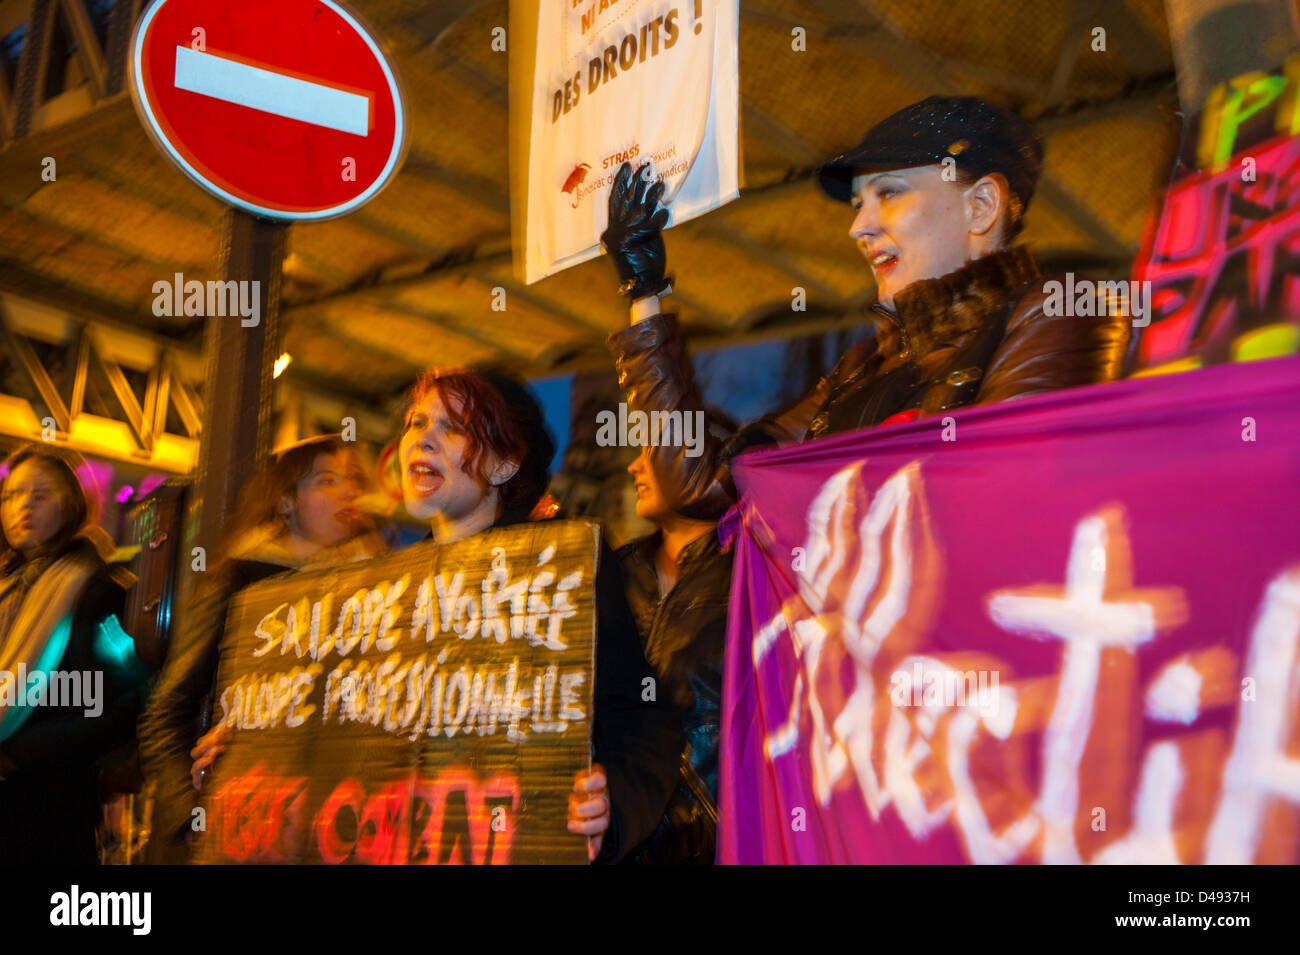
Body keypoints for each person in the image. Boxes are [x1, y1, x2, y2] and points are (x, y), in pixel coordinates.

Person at [600, 95, 1133, 519]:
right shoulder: (860, 367)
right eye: (859, 205)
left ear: (980, 206)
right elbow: (697, 487)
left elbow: (1002, 510)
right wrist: (646, 293)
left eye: (891, 193)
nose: (859, 227)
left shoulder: (1059, 311)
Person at [398, 369, 682, 862]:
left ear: (505, 465)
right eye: (417, 421)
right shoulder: (383, 593)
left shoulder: (562, 570)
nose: (423, 437)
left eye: (452, 427)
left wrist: (611, 803)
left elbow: (639, 715)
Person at [139, 434, 386, 862]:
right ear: (286, 502)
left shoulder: (369, 590)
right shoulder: (239, 578)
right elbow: (166, 710)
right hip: (227, 829)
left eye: (352, 481)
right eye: (327, 481)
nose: (348, 492)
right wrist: (190, 814)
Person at [0, 445, 147, 864]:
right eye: (12, 494)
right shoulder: (7, 588)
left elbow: (118, 706)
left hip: (48, 805)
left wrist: (16, 756)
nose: (23, 505)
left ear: (70, 505)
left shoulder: (97, 590)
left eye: (41, 494)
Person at [617, 447, 729, 863]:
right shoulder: (613, 571)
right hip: (619, 838)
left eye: (653, 452)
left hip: (714, 840)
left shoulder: (749, 570)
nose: (634, 466)